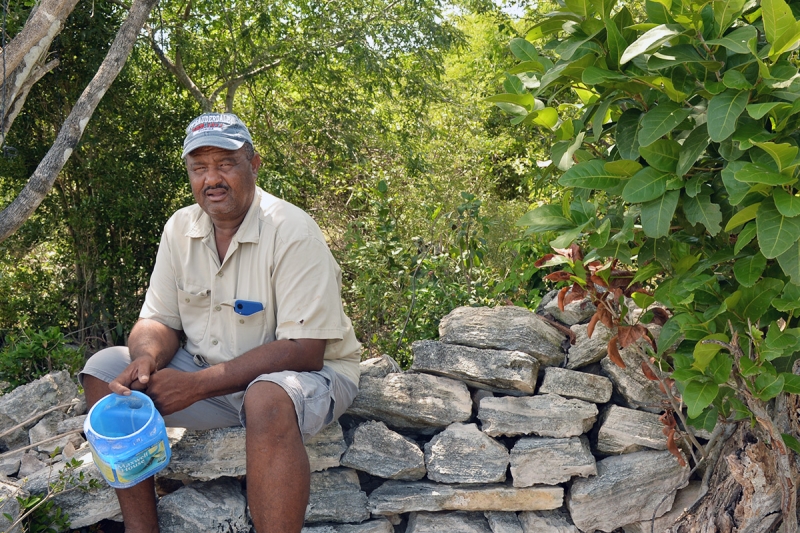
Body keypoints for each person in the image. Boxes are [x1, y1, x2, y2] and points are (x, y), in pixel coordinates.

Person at [79, 112, 361, 533]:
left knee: (265, 397)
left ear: (254, 164)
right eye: (199, 168)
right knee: (103, 372)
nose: (212, 179)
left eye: (225, 163)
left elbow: (305, 350)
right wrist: (145, 358)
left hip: (307, 379)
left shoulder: (291, 231)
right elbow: (159, 320)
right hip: (212, 379)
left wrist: (195, 386)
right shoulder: (180, 228)